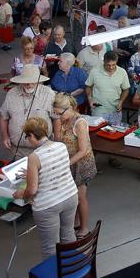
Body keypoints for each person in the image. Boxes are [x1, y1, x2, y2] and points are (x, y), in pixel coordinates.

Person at [11, 117, 79, 259]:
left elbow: (32, 190)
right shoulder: (61, 146)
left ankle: (54, 277)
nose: (28, 140)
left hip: (48, 205)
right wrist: (31, 173)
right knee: (68, 234)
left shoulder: (34, 157)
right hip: (70, 196)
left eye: (27, 137)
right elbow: (56, 169)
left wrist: (20, 193)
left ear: (32, 135)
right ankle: (72, 268)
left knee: (50, 246)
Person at [51, 94, 96, 238]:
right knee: (70, 196)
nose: (57, 116)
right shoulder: (59, 120)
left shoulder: (80, 122)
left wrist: (66, 163)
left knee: (80, 196)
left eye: (59, 113)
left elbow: (83, 150)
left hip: (81, 164)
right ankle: (75, 221)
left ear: (69, 108)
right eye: (55, 113)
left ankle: (84, 228)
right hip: (66, 161)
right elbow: (57, 141)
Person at [85, 51, 130, 125]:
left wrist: (121, 102)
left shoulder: (122, 72)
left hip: (115, 110)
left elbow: (126, 89)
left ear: (117, 61)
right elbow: (88, 86)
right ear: (104, 62)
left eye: (113, 65)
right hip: (98, 109)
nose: (111, 67)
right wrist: (90, 99)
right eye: (108, 65)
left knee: (114, 133)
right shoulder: (95, 71)